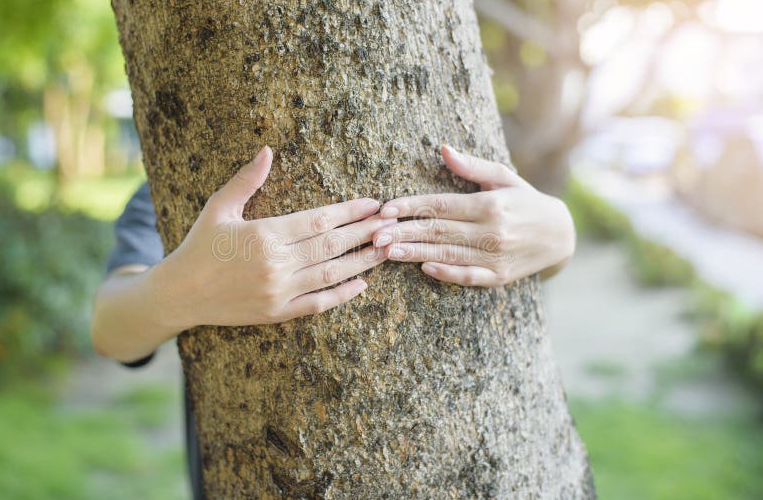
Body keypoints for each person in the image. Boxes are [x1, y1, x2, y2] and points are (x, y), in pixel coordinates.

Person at [91, 144, 576, 499]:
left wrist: (559, 232)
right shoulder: (175, 179)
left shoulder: (465, 150)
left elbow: (522, 247)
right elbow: (110, 329)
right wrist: (187, 288)